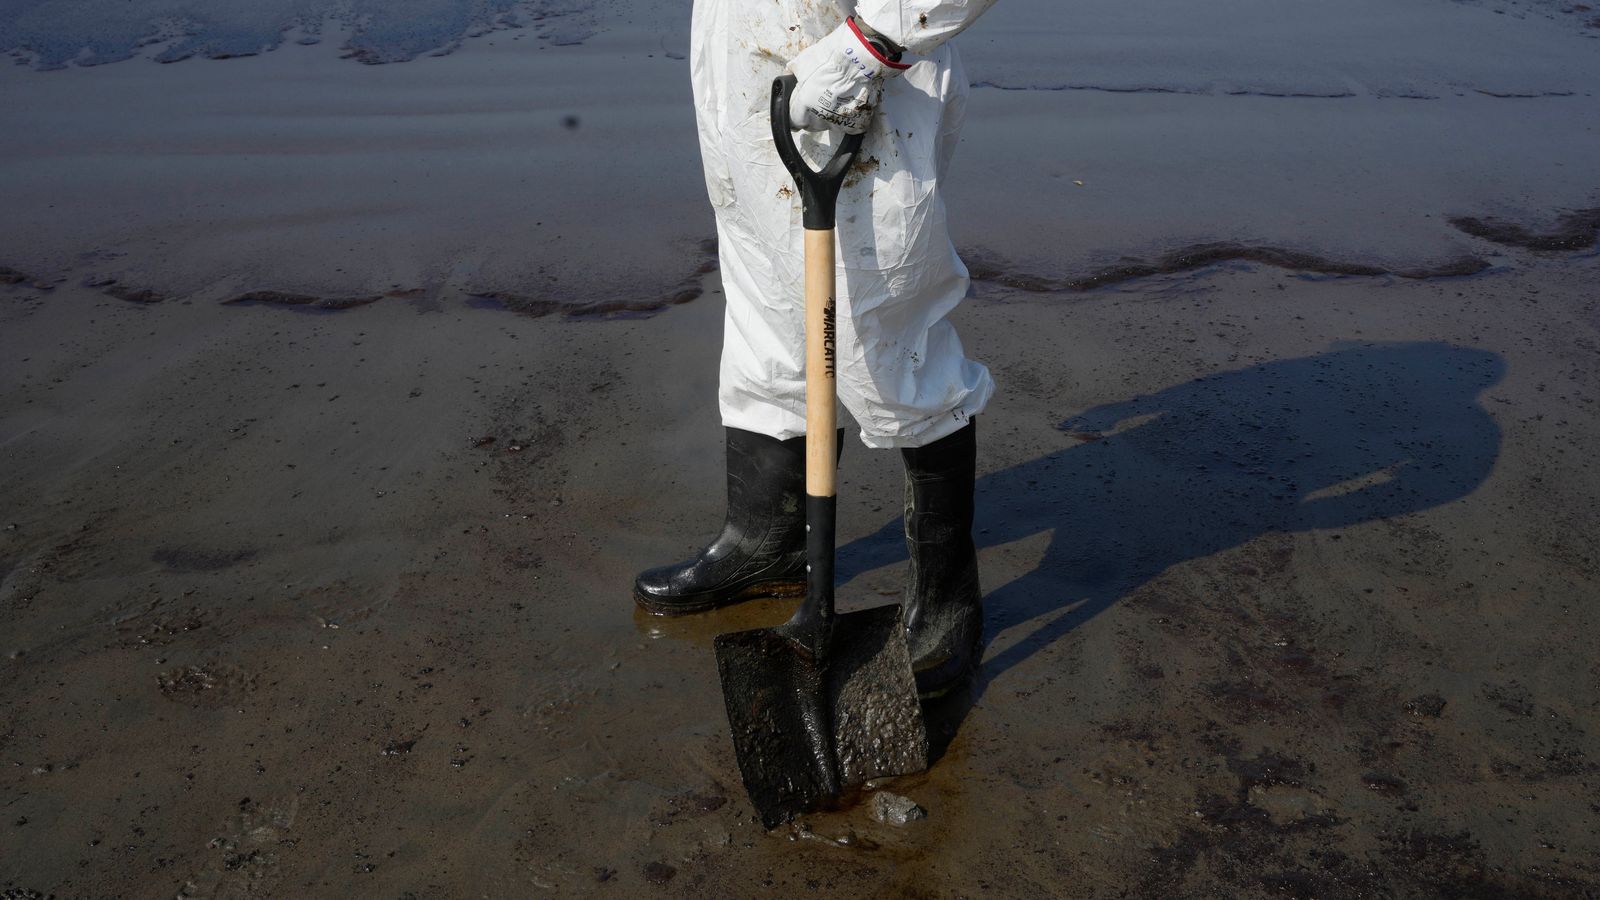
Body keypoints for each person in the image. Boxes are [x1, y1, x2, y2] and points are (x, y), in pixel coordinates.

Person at [635, 1, 999, 698]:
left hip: (855, 66)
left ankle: (947, 595)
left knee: (877, 331)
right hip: (744, 47)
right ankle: (766, 541)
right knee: (766, 308)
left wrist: (870, 46)